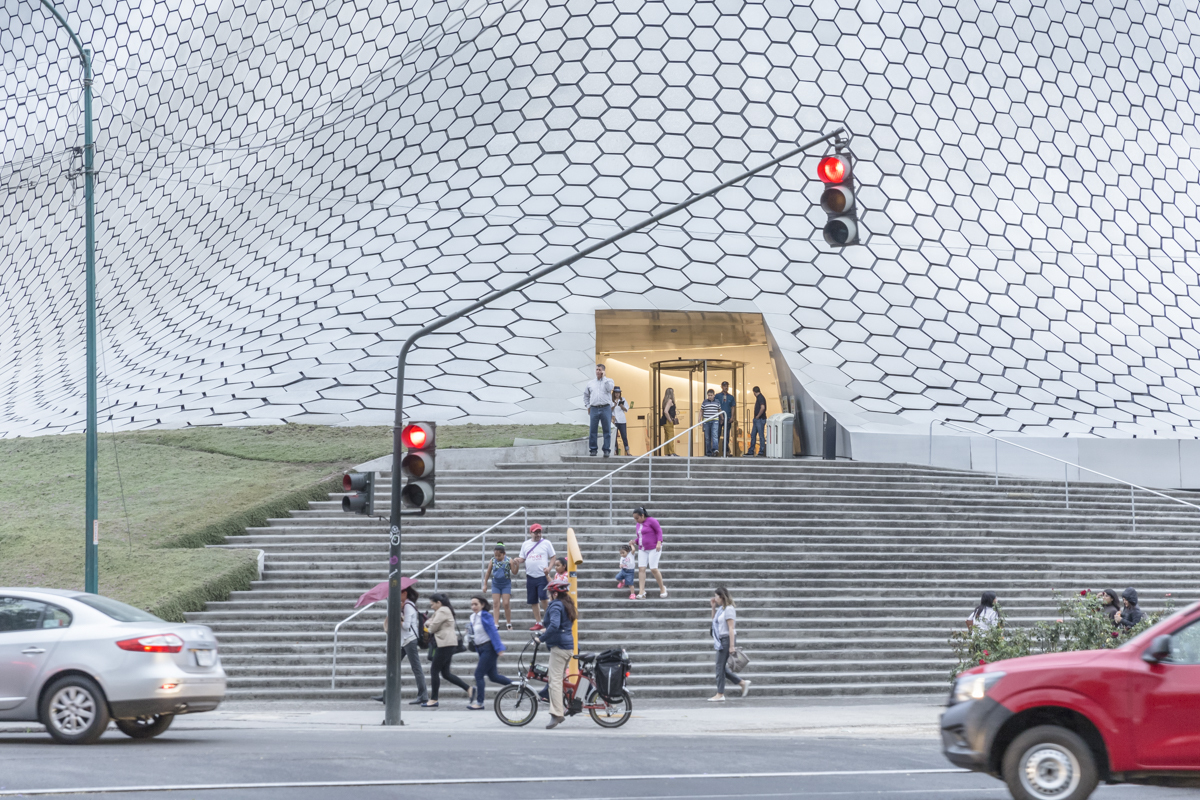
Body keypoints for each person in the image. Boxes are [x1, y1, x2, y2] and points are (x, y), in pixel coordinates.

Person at [373, 579, 428, 706]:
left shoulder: (408, 606)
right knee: (393, 665)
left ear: (404, 593)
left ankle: (423, 695)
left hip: (410, 640)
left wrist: (397, 616)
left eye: (398, 593)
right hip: (403, 641)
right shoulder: (404, 605)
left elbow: (407, 626)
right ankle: (388, 694)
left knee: (416, 668)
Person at [539, 575, 577, 729]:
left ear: (554, 593)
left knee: (554, 681)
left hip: (559, 647)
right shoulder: (566, 603)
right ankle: (567, 703)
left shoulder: (555, 605)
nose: (548, 596)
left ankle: (557, 714)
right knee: (559, 678)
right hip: (567, 645)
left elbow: (554, 625)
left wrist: (541, 638)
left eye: (549, 593)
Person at [423, 593, 471, 707]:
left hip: (445, 644)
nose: (431, 607)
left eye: (432, 604)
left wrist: (429, 623)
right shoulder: (440, 611)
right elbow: (430, 622)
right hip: (446, 643)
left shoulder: (443, 610)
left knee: (434, 670)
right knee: (445, 673)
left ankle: (434, 699)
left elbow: (432, 628)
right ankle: (469, 689)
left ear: (438, 603)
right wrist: (429, 622)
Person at [468, 594, 512, 710]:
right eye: (472, 604)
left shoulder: (486, 616)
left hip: (489, 649)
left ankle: (480, 702)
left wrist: (499, 648)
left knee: (478, 674)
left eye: (476, 604)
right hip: (481, 649)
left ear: (482, 605)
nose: (473, 607)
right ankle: (517, 686)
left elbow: (493, 632)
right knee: (493, 676)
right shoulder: (472, 617)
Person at [709, 587, 750, 701]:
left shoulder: (729, 609)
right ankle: (741, 682)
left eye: (716, 596)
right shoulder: (722, 609)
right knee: (721, 667)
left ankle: (720, 694)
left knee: (719, 667)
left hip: (727, 640)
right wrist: (713, 608)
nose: (714, 598)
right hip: (721, 640)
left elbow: (731, 628)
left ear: (722, 596)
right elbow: (714, 622)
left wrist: (732, 646)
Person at [512, 523, 555, 630]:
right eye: (535, 532)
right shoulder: (526, 544)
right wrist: (518, 560)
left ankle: (548, 620)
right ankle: (538, 622)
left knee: (544, 597)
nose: (538, 534)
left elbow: (553, 556)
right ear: (531, 533)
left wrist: (549, 568)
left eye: (539, 532)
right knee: (533, 600)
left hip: (542, 576)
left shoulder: (546, 543)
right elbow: (523, 558)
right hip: (530, 576)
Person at [629, 506, 666, 599]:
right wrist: (634, 541)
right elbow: (641, 537)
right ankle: (642, 591)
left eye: (637, 518)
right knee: (641, 568)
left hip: (654, 548)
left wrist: (659, 542)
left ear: (642, 515)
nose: (636, 520)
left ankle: (662, 588)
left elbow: (659, 531)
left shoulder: (652, 521)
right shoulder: (638, 525)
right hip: (643, 549)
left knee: (653, 568)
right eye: (634, 519)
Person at [583, 363, 615, 457]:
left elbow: (610, 388)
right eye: (597, 369)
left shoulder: (609, 381)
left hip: (605, 408)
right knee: (593, 429)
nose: (598, 371)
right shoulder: (591, 383)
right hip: (594, 408)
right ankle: (593, 449)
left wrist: (604, 378)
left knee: (607, 429)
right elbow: (586, 395)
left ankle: (606, 449)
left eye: (600, 370)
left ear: (604, 371)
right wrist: (588, 406)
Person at [481, 543, 514, 630]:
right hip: (495, 584)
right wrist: (485, 584)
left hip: (506, 584)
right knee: (496, 604)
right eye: (495, 555)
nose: (497, 557)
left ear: (504, 554)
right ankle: (496, 623)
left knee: (506, 603)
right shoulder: (492, 560)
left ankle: (509, 623)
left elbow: (514, 571)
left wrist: (516, 565)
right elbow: (488, 572)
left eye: (499, 555)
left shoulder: (508, 560)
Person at [746, 385, 767, 457]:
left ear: (754, 392)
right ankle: (751, 451)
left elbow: (762, 407)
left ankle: (761, 451)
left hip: (760, 419)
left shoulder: (760, 398)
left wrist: (757, 416)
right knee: (753, 435)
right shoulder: (760, 397)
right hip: (758, 419)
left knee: (760, 436)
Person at [715, 381, 736, 456]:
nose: (725, 387)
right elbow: (716, 407)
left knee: (726, 435)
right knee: (717, 434)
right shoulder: (717, 396)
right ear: (721, 387)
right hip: (719, 418)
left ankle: (726, 451)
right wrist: (720, 417)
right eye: (724, 386)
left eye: (727, 386)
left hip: (728, 418)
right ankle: (715, 450)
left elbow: (733, 407)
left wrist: (732, 417)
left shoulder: (731, 397)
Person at [701, 389, 721, 457]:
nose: (710, 397)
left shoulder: (717, 402)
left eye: (711, 395)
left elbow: (719, 410)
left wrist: (722, 418)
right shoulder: (705, 402)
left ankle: (715, 450)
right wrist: (699, 420)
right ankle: (708, 452)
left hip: (715, 420)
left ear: (714, 395)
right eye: (709, 395)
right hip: (706, 421)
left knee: (714, 435)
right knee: (707, 437)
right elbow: (701, 411)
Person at [612, 387, 632, 456]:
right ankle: (614, 451)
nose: (617, 394)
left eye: (618, 393)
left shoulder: (623, 399)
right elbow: (609, 410)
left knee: (624, 436)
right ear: (614, 393)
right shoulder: (612, 400)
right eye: (616, 393)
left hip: (622, 420)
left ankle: (627, 451)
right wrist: (614, 405)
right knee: (614, 437)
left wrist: (621, 406)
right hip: (615, 421)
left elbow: (626, 409)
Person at [660, 387, 679, 456]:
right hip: (668, 421)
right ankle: (672, 452)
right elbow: (665, 411)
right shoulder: (670, 401)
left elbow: (663, 411)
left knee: (667, 437)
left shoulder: (664, 400)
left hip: (664, 421)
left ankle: (667, 452)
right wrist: (670, 419)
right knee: (671, 437)